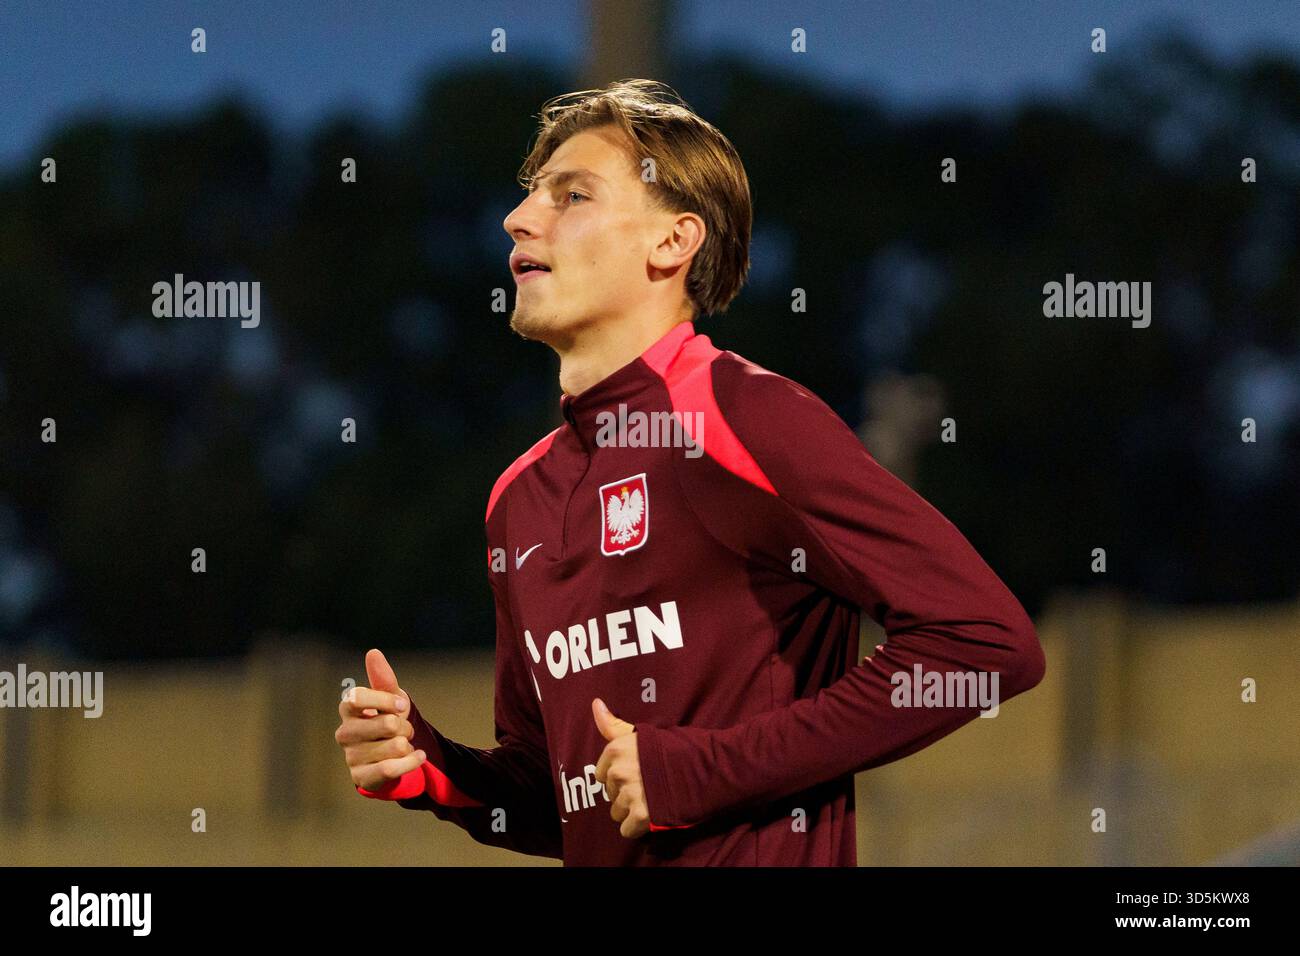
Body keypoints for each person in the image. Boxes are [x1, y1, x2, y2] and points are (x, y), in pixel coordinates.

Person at [334, 78, 1045, 866]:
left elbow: (986, 645)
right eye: (530, 195)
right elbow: (562, 794)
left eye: (572, 196)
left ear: (672, 243)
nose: (519, 217)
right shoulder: (516, 499)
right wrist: (432, 771)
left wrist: (704, 770)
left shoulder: (744, 417)